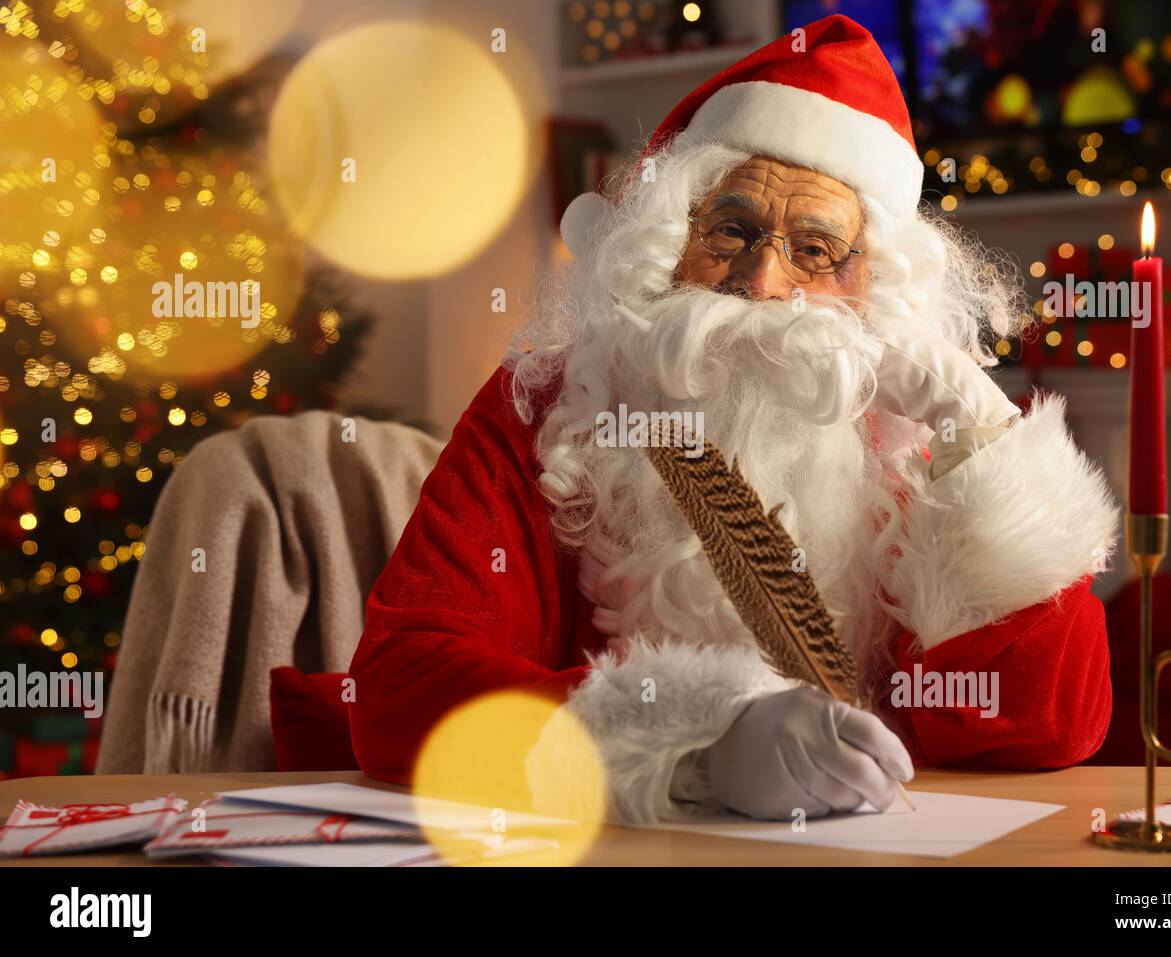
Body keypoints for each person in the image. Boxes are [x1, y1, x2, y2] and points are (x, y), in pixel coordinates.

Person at [348, 14, 1119, 824]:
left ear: (873, 289)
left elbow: (1046, 728)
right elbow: (400, 689)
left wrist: (983, 428)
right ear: (664, 240)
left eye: (814, 250)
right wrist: (694, 741)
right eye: (732, 229)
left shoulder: (922, 439)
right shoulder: (546, 405)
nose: (760, 281)